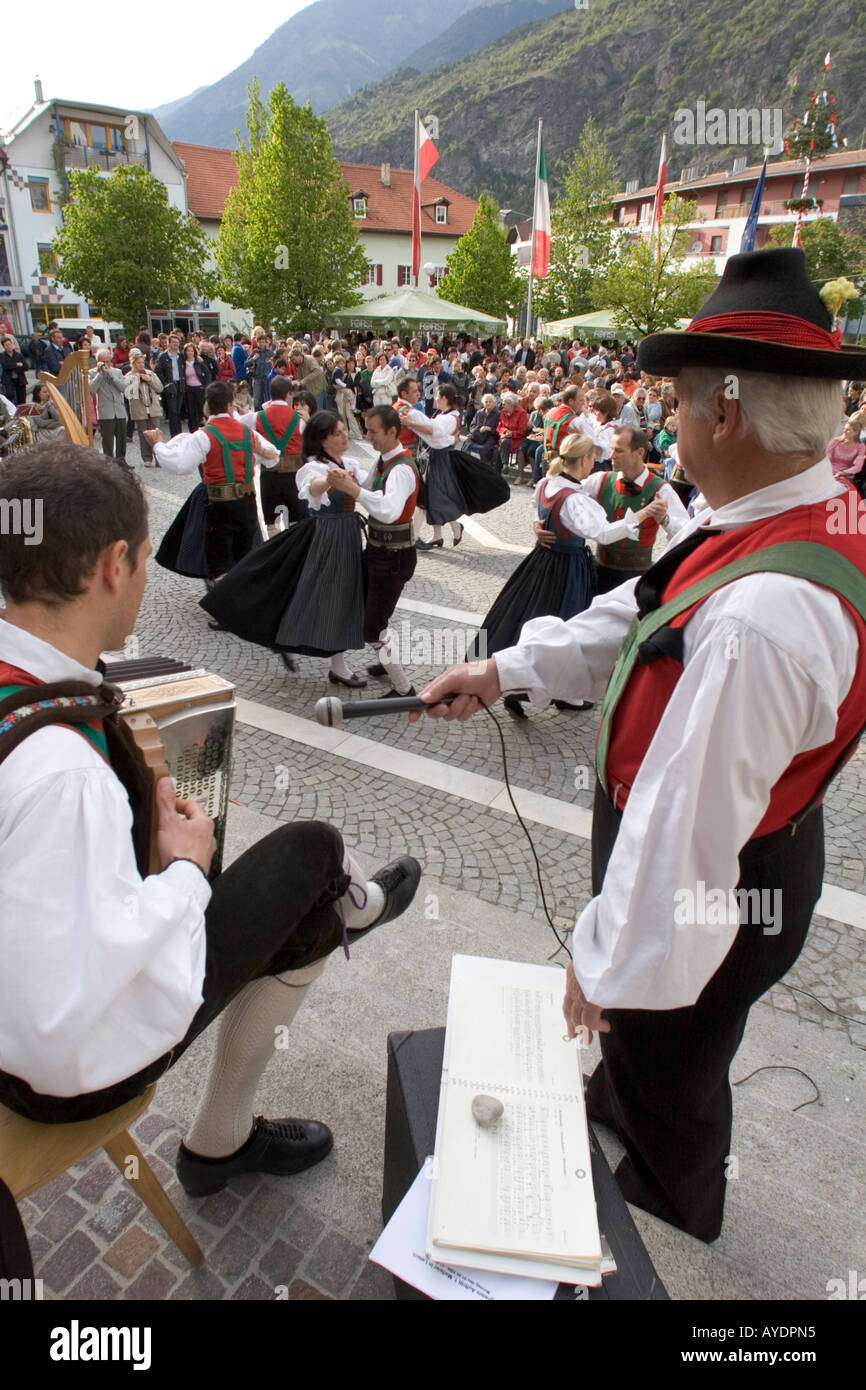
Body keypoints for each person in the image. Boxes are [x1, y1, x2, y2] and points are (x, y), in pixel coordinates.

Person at [411, 247, 866, 1244]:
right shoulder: (776, 514)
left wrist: (603, 960)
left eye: (678, 396)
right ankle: (625, 1112)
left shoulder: (766, 613)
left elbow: (683, 823)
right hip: (746, 860)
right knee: (660, 1053)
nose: (663, 416)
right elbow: (645, 611)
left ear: (724, 415)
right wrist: (502, 671)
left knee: (674, 1068)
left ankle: (661, 1224)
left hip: (720, 882)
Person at [0, 442, 421, 1194]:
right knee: (312, 854)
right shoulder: (62, 777)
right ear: (112, 565)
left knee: (301, 910)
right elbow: (55, 1020)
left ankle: (224, 1137)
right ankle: (359, 910)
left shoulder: (34, 696)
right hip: (72, 1070)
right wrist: (187, 870)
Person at [470, 431, 667, 720]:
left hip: (542, 562)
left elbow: (537, 509)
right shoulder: (575, 499)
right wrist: (643, 513)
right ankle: (556, 693)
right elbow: (603, 533)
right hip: (567, 568)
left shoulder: (549, 483)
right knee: (565, 624)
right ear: (585, 459)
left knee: (522, 617)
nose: (596, 464)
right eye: (593, 458)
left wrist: (538, 525)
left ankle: (521, 687)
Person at [148, 380, 278, 584]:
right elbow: (274, 457)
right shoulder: (247, 432)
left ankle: (224, 603)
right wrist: (261, 450)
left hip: (220, 505)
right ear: (230, 405)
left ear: (207, 405)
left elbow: (181, 465)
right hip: (247, 503)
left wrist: (157, 446)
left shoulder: (204, 435)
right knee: (243, 558)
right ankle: (241, 603)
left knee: (218, 562)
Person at [579, 426, 689, 592]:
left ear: (639, 453)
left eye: (619, 451)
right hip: (599, 574)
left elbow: (686, 532)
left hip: (635, 579)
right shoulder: (601, 480)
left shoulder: (660, 489)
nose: (612, 456)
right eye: (612, 450)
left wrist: (665, 520)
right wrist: (542, 520)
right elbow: (563, 495)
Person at [237, 376, 311, 532]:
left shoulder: (257, 416)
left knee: (272, 524)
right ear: (288, 394)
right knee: (295, 523)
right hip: (293, 476)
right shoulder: (299, 419)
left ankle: (275, 553)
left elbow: (236, 425)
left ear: (270, 393)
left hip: (269, 475)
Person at [124, 350, 164, 466]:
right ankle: (147, 458)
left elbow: (160, 388)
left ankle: (159, 458)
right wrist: (136, 380)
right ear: (133, 364)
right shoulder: (128, 377)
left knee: (156, 433)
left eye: (142, 363)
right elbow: (128, 394)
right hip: (140, 409)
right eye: (138, 363)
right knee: (144, 434)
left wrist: (149, 380)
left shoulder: (150, 374)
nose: (141, 365)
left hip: (153, 409)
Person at [89, 349, 128, 461]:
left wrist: (112, 377)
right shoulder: (92, 373)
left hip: (119, 410)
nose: (106, 364)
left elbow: (124, 388)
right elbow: (92, 389)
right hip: (105, 411)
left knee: (121, 439)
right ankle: (108, 462)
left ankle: (121, 461)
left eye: (108, 361)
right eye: (103, 362)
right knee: (107, 440)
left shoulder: (117, 372)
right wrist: (100, 374)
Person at [155, 333, 185, 437]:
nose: (176, 344)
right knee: (172, 411)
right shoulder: (163, 356)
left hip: (180, 385)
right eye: (174, 342)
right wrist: (165, 383)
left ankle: (179, 434)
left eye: (177, 342)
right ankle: (174, 434)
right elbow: (158, 371)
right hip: (170, 386)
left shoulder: (181, 356)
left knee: (178, 410)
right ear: (169, 343)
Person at [181, 342, 208, 433]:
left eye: (192, 351)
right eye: (188, 351)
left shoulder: (199, 362)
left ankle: (204, 429)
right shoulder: (183, 363)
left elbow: (207, 374)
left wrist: (205, 386)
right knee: (191, 412)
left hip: (199, 388)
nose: (190, 353)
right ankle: (192, 431)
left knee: (201, 411)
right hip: (189, 389)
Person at [1, 336, 27, 405]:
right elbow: (6, 366)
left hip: (20, 379)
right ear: (4, 347)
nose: (9, 346)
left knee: (22, 398)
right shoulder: (2, 356)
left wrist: (14, 366)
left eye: (10, 344)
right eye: (6, 345)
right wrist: (17, 365)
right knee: (10, 396)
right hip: (9, 380)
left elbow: (25, 366)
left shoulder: (19, 355)